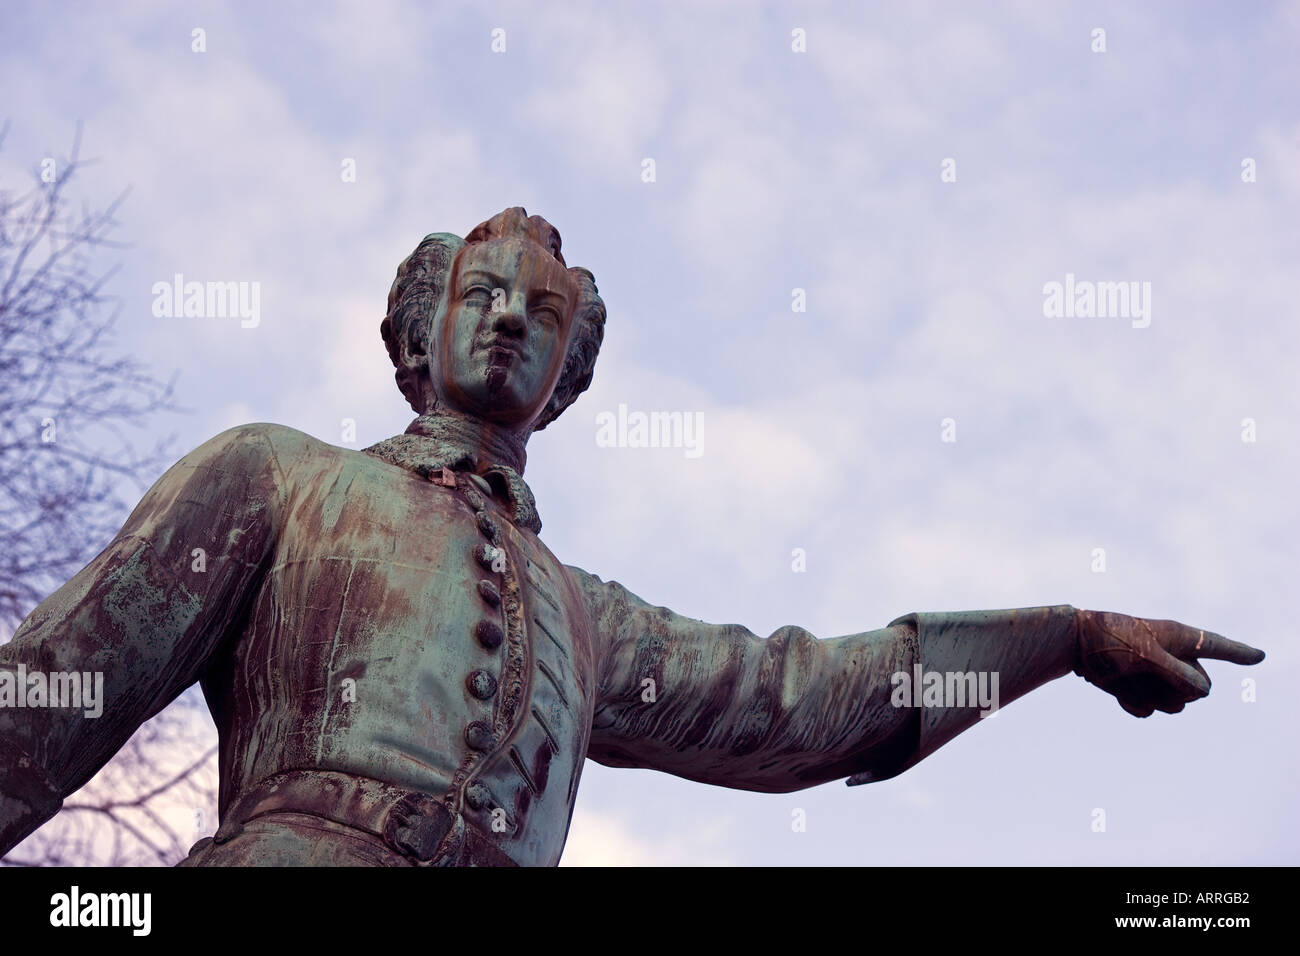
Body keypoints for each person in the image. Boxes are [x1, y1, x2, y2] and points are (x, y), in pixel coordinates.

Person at [0, 207, 1264, 866]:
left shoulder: (583, 616)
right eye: (478, 297)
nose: (506, 322)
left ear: (569, 371)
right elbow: (43, 707)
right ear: (412, 334)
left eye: (539, 316)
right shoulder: (279, 476)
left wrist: (1058, 637)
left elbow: (794, 697)